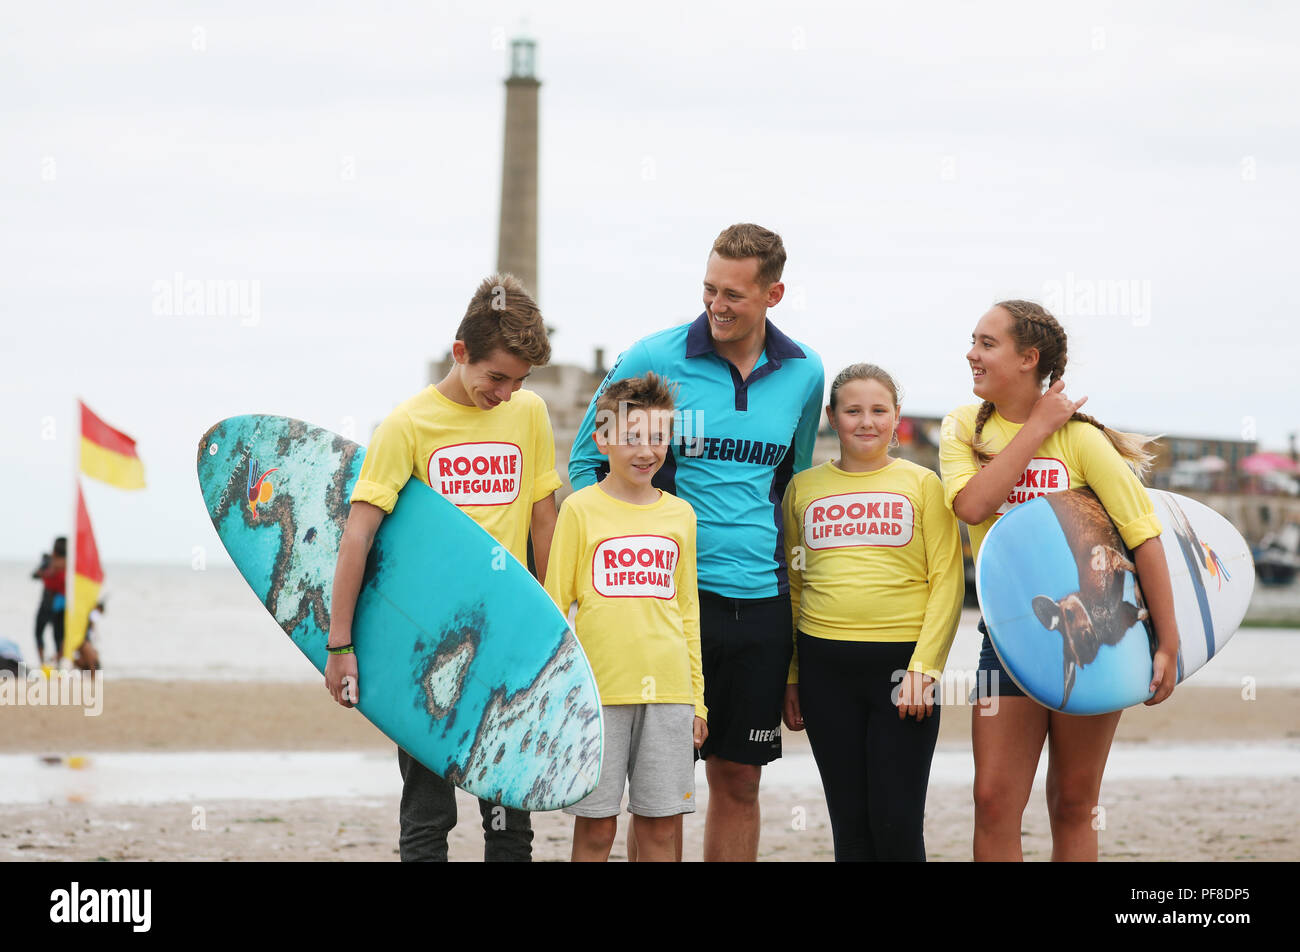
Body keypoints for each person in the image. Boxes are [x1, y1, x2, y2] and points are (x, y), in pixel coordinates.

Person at [569, 223, 824, 862]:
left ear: (774, 294)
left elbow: (788, 490)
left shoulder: (805, 372)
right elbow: (582, 465)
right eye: (709, 289)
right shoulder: (654, 358)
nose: (718, 305)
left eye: (735, 295)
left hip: (762, 605)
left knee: (740, 778)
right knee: (662, 792)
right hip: (672, 611)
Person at [324, 274, 561, 862]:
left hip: (507, 643)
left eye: (519, 380)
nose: (505, 392)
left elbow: (544, 523)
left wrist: (556, 623)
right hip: (426, 649)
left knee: (509, 817)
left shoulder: (529, 414)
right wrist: (339, 645)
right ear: (461, 353)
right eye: (496, 377)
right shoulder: (406, 426)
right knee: (429, 816)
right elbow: (358, 535)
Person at [938, 299, 1179, 862]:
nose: (971, 354)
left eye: (986, 343)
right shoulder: (960, 427)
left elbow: (1143, 536)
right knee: (993, 801)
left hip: (1100, 640)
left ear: (1028, 358)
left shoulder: (1082, 441)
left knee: (1074, 803)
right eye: (973, 340)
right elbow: (974, 505)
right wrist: (1038, 426)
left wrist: (1167, 642)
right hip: (1010, 638)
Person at [781, 363, 963, 861]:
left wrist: (924, 669)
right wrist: (793, 675)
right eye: (853, 410)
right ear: (831, 418)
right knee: (850, 826)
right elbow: (795, 587)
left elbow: (946, 581)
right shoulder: (803, 488)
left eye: (879, 410)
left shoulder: (925, 485)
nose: (867, 421)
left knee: (898, 823)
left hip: (902, 671)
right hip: (824, 670)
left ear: (896, 417)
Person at [544, 373, 706, 862]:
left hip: (670, 695)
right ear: (603, 440)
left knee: (660, 831)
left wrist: (698, 700)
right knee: (596, 831)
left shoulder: (680, 516)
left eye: (658, 438)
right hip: (596, 698)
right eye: (632, 437)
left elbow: (687, 611)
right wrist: (554, 696)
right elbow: (554, 609)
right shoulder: (579, 510)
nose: (646, 451)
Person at [32, 537, 67, 664]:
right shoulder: (67, 564)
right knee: (58, 637)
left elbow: (36, 575)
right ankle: (57, 663)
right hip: (59, 604)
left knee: (42, 633)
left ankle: (45, 663)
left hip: (51, 602)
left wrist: (45, 572)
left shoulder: (51, 562)